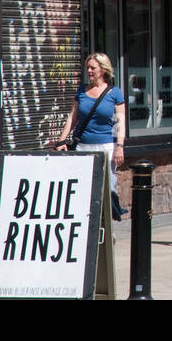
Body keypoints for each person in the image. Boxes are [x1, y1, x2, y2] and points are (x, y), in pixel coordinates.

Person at [57, 53, 128, 218]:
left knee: (108, 187)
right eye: (87, 67)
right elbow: (72, 117)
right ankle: (85, 225)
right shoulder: (82, 90)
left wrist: (120, 147)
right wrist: (61, 140)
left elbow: (121, 123)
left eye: (93, 68)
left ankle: (107, 227)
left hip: (106, 146)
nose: (89, 71)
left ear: (103, 70)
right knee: (83, 187)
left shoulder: (114, 92)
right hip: (82, 146)